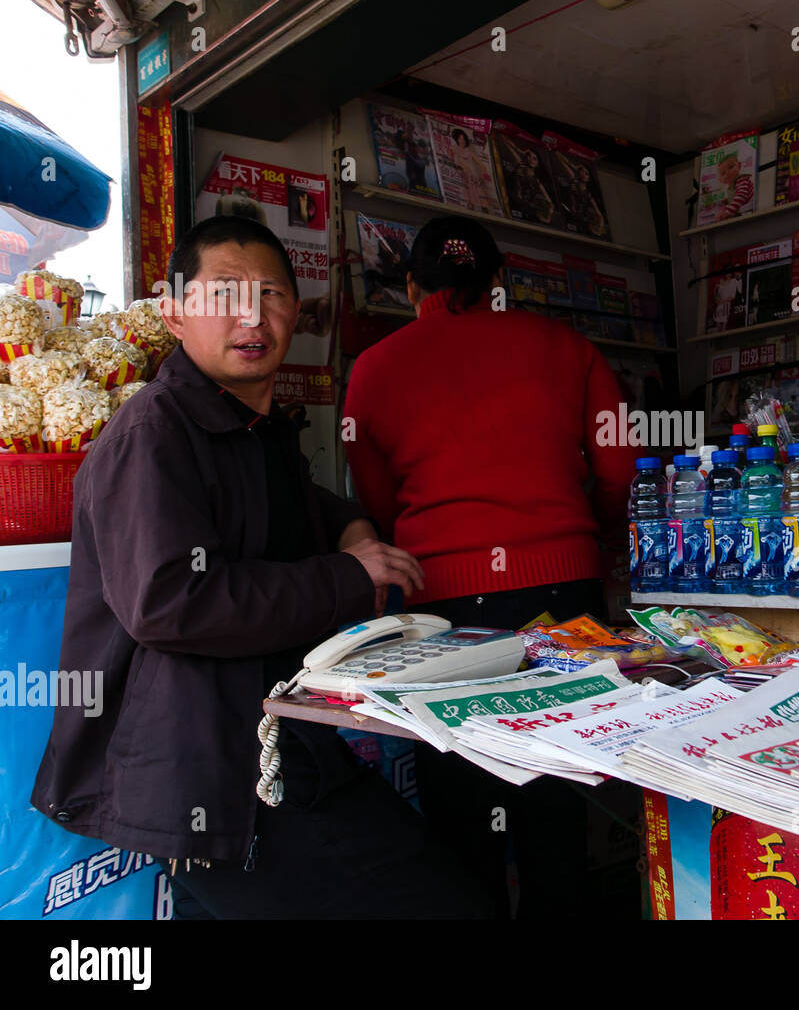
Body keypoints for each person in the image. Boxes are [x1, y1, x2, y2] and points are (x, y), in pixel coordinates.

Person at [29, 216, 495, 919]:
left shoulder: (251, 426)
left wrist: (350, 525)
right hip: (212, 778)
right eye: (223, 294)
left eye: (272, 294)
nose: (251, 315)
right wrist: (350, 574)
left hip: (275, 748)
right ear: (174, 311)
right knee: (449, 906)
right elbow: (173, 598)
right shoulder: (154, 431)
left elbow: (284, 506)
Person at [343, 215, 641, 918]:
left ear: (413, 285)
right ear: (500, 280)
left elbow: (376, 503)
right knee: (555, 804)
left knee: (461, 812)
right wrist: (589, 540)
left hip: (440, 612)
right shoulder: (570, 348)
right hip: (566, 602)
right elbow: (619, 468)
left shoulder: (374, 369)